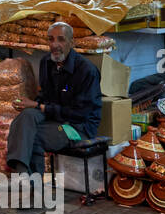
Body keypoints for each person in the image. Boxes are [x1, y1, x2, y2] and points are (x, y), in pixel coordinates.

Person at [6, 22, 102, 173]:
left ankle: (26, 179)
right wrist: (30, 104)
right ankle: (23, 173)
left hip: (77, 127)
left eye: (61, 39)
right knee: (25, 116)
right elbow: (44, 96)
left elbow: (79, 114)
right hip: (54, 118)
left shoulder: (86, 70)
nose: (55, 45)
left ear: (71, 42)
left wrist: (39, 106)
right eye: (51, 39)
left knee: (33, 135)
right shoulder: (46, 63)